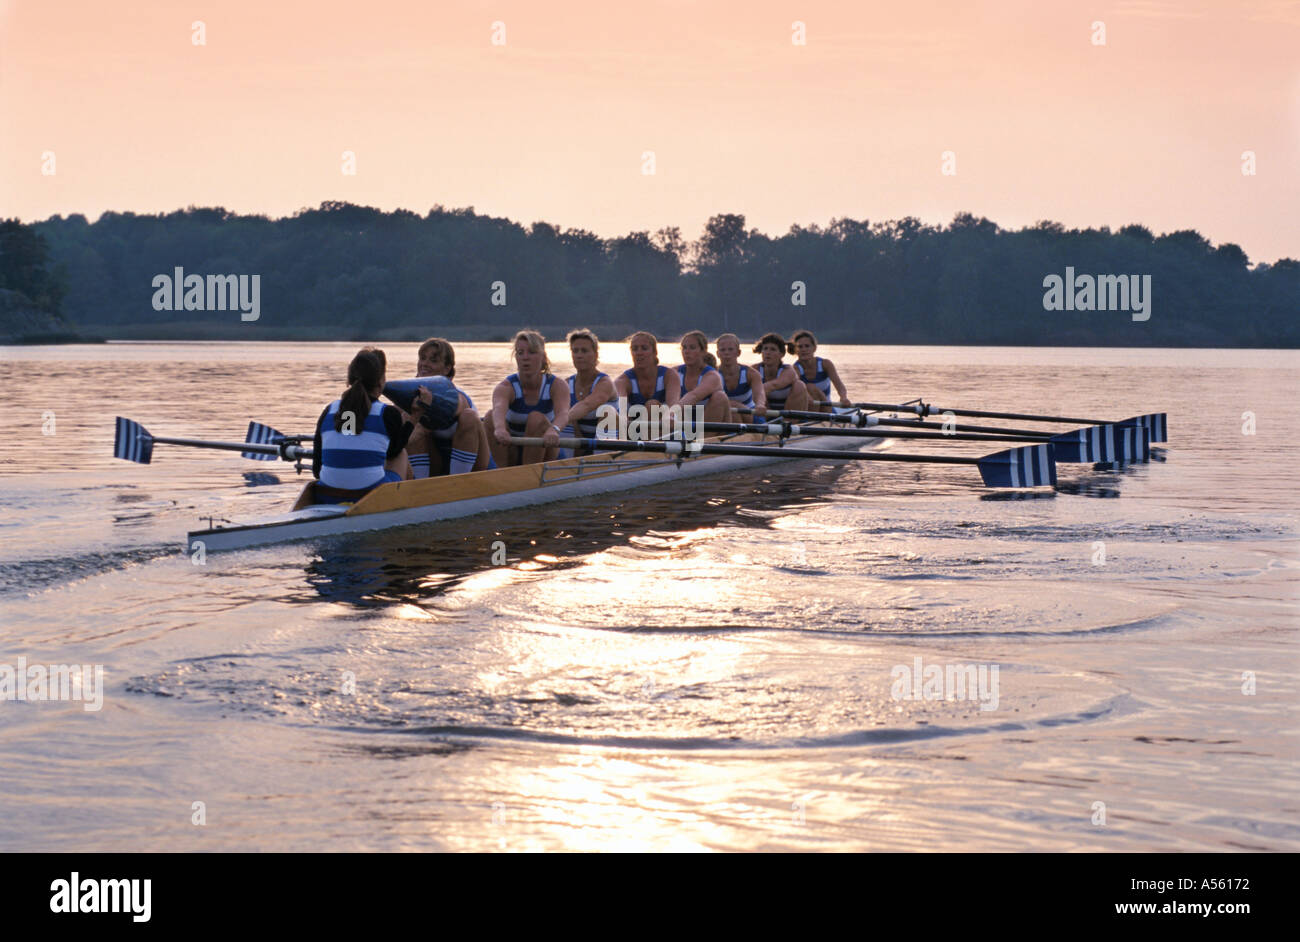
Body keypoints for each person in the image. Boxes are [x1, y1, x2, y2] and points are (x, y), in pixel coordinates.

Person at [312, 347, 425, 504]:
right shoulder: (387, 413)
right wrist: (415, 416)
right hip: (370, 497)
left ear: (349, 380)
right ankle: (412, 504)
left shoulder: (329, 410)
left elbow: (317, 469)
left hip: (327, 495)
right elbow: (394, 450)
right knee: (401, 454)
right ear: (381, 381)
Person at [403, 337, 493, 477]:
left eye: (433, 360)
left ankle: (457, 483)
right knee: (405, 417)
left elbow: (455, 406)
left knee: (469, 416)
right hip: (438, 462)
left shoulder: (458, 397)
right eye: (422, 358)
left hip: (476, 466)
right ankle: (419, 485)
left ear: (447, 369)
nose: (424, 364)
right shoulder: (412, 399)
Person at [485, 330, 570, 466]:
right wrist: (500, 428)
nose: (525, 357)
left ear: (543, 357)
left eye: (531, 352)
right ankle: (500, 473)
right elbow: (498, 409)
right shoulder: (505, 387)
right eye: (520, 353)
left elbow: (564, 414)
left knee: (536, 418)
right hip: (511, 450)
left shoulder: (557, 385)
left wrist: (554, 429)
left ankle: (529, 474)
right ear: (516, 357)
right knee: (489, 417)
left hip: (546, 452)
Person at [560, 328, 618, 457]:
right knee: (562, 412)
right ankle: (565, 462)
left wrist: (558, 422)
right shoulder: (565, 384)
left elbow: (587, 405)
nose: (579, 355)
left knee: (608, 413)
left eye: (584, 351)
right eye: (575, 351)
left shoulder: (605, 383)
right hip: (579, 440)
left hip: (612, 439)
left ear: (595, 355)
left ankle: (602, 463)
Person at [614, 331, 681, 438]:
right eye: (635, 349)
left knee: (652, 405)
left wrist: (671, 416)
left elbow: (673, 405)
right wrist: (623, 418)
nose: (639, 353)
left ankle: (652, 449)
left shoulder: (669, 375)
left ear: (654, 352)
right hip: (633, 431)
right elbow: (620, 409)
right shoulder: (622, 381)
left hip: (664, 428)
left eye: (644, 348)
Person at [675, 330, 731, 425]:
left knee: (720, 397)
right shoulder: (674, 372)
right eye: (684, 348)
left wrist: (672, 412)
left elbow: (694, 396)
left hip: (712, 430)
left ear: (703, 351)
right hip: (685, 425)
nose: (687, 352)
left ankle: (704, 440)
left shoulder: (713, 376)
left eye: (692, 348)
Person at [790, 329, 851, 411]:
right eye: (800, 347)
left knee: (810, 387)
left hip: (826, 408)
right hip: (806, 407)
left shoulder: (825, 364)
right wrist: (807, 396)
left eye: (807, 346)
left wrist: (843, 398)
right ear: (796, 350)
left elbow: (839, 385)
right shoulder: (795, 369)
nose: (803, 350)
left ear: (814, 348)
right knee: (808, 388)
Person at [714, 332, 767, 423]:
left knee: (731, 405)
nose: (726, 353)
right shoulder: (713, 375)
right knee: (731, 408)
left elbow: (760, 393)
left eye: (730, 349)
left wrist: (760, 404)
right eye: (723, 350)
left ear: (738, 353)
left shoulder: (751, 373)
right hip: (726, 416)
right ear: (718, 354)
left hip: (751, 416)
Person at [753, 332, 809, 412]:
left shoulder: (788, 371)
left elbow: (773, 385)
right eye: (765, 348)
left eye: (773, 349)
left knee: (799, 385)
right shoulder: (754, 370)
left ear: (781, 354)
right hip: (765, 413)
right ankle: (764, 421)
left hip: (787, 416)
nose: (768, 352)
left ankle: (789, 422)